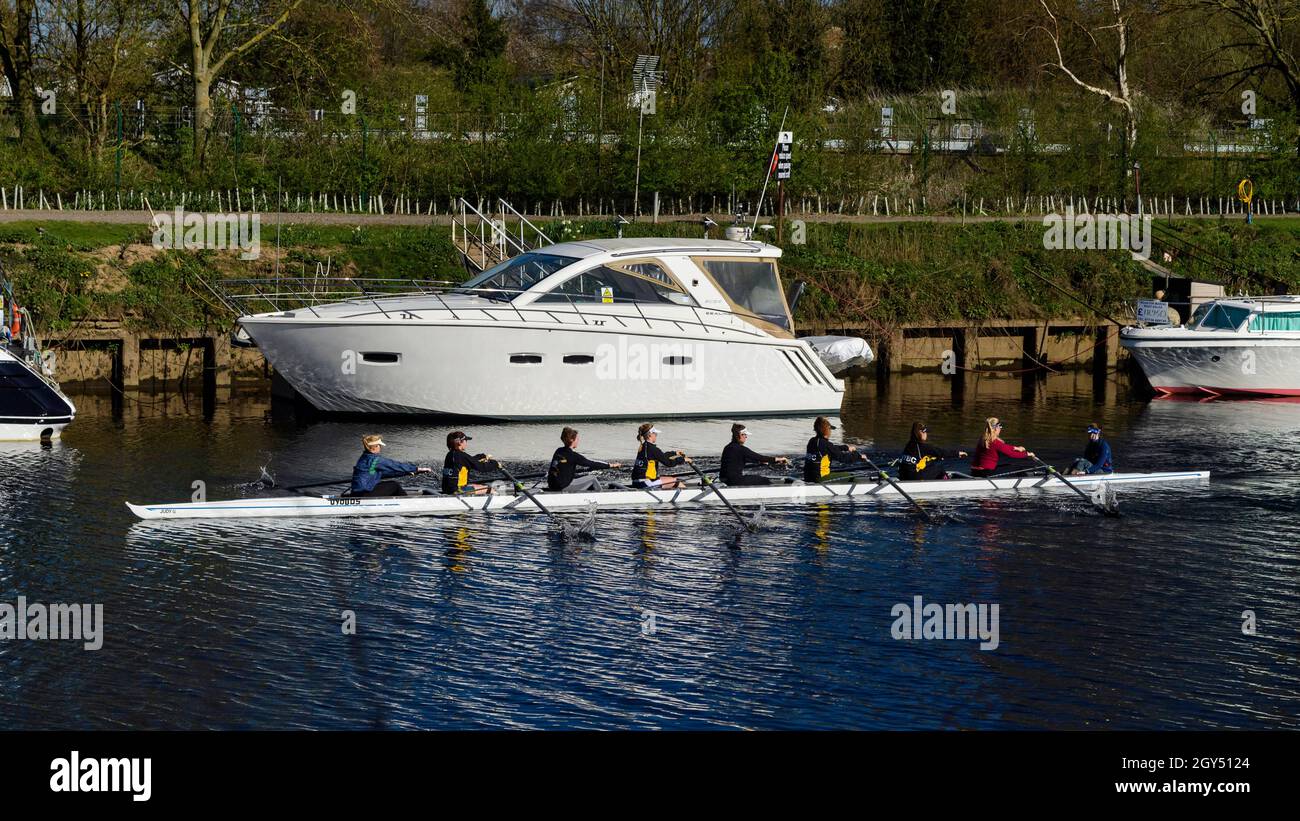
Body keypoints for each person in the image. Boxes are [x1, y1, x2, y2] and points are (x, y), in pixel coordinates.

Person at [349, 434, 430, 497]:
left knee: (390, 484)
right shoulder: (376, 460)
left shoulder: (365, 457)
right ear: (374, 447)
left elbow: (386, 473)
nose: (380, 448)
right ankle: (409, 505)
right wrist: (416, 468)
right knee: (395, 485)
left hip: (357, 492)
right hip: (364, 493)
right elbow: (395, 465)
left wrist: (407, 472)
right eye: (379, 446)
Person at [547, 427, 622, 492]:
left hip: (552, 486)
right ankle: (603, 498)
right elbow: (592, 463)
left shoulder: (558, 451)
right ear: (572, 440)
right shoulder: (574, 456)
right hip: (562, 487)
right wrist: (611, 465)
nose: (578, 441)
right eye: (577, 439)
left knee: (578, 478)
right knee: (592, 478)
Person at [720, 424, 790, 485]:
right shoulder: (741, 449)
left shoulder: (727, 447)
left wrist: (761, 462)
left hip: (723, 478)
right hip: (734, 481)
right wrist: (778, 459)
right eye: (745, 435)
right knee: (764, 480)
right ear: (740, 435)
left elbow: (741, 459)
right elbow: (759, 457)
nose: (746, 437)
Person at [898, 422, 968, 481]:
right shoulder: (923, 447)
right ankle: (947, 483)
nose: (926, 434)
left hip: (903, 476)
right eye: (924, 432)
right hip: (914, 478)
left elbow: (923, 459)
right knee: (939, 467)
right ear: (920, 433)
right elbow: (942, 452)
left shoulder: (909, 445)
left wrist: (937, 458)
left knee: (932, 463)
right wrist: (957, 453)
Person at [970, 417, 1035, 478]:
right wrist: (1027, 454)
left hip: (974, 471)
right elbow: (1012, 454)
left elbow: (1004, 447)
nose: (1001, 428)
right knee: (1017, 468)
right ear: (996, 428)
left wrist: (1016, 448)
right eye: (1000, 426)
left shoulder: (983, 438)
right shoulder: (995, 442)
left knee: (1008, 466)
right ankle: (1028, 482)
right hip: (985, 473)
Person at [442, 431, 500, 495]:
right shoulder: (461, 455)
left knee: (478, 486)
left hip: (446, 489)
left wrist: (481, 456)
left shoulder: (450, 454)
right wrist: (495, 463)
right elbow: (482, 468)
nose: (466, 443)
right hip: (457, 491)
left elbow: (470, 460)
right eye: (465, 440)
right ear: (460, 442)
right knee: (489, 489)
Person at [803, 416, 860, 482]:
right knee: (851, 476)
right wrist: (858, 456)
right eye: (830, 430)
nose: (830, 432)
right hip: (820, 479)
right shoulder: (825, 444)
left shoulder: (812, 441)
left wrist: (846, 448)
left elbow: (832, 448)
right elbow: (843, 458)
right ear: (827, 430)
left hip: (807, 478)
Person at [632, 423, 689, 489]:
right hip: (646, 483)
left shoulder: (643, 447)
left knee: (670, 479)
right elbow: (669, 463)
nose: (656, 435)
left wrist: (675, 453)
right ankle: (689, 497)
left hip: (636, 483)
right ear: (650, 435)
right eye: (655, 434)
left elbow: (662, 456)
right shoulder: (652, 449)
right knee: (677, 481)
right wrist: (683, 460)